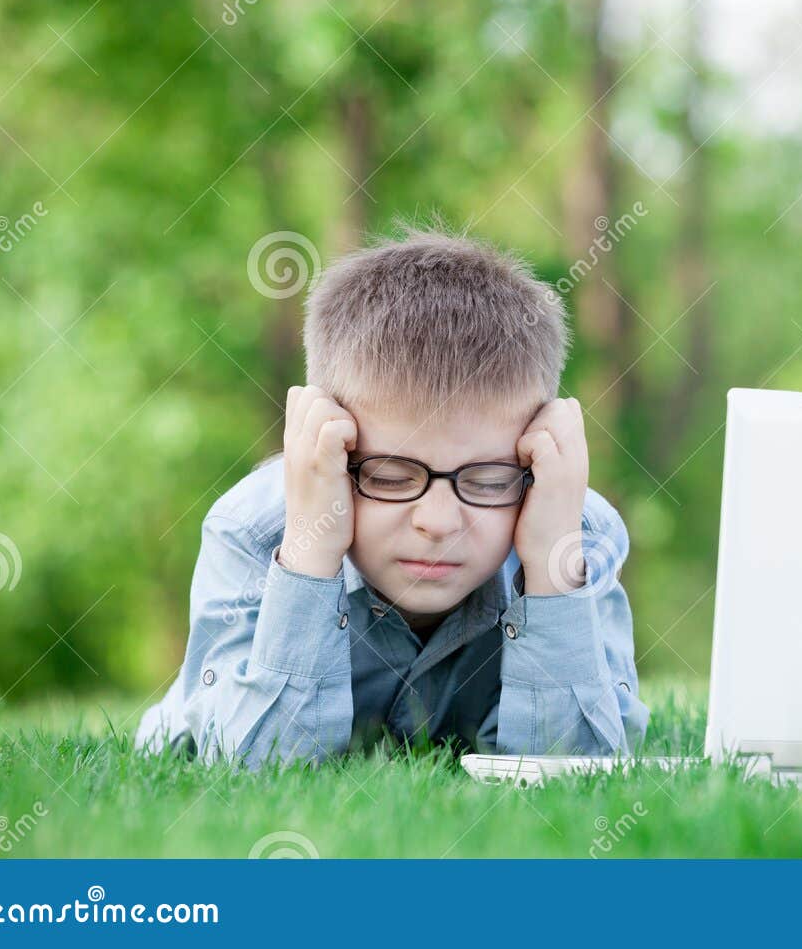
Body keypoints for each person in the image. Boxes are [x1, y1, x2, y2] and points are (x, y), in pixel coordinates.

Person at [136, 229, 647, 767]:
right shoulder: (251, 529)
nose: (438, 521)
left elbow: (577, 765)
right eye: (389, 475)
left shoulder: (575, 530)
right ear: (328, 446)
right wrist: (309, 558)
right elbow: (256, 764)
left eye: (489, 479)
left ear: (531, 461)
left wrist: (549, 569)